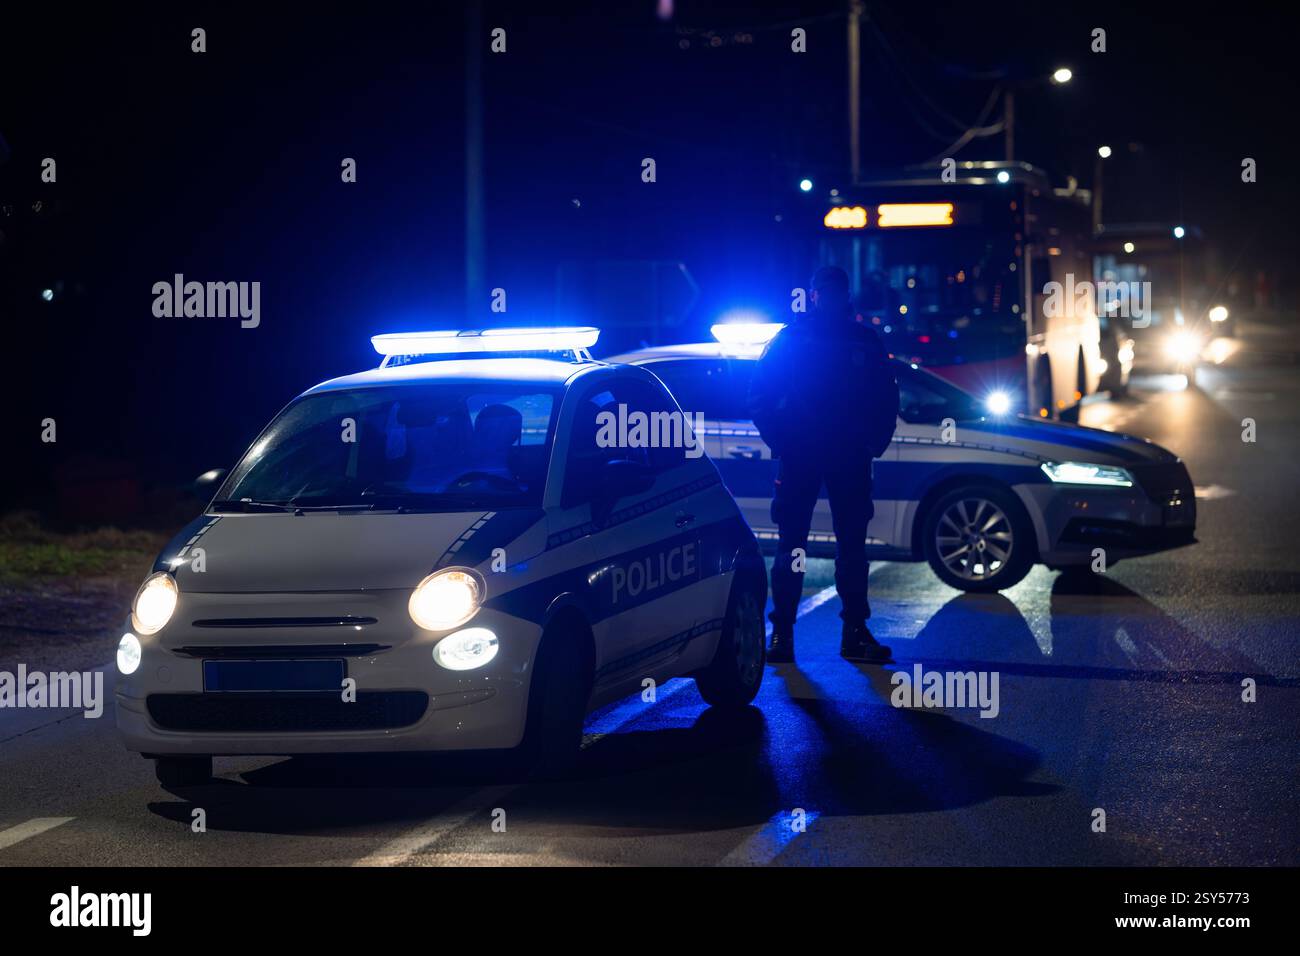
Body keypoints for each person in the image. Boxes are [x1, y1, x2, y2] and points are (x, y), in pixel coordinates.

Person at [749, 266, 898, 664]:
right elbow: (760, 394)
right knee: (792, 545)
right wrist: (782, 441)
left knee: (850, 548)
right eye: (824, 292)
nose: (830, 298)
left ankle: (852, 631)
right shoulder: (793, 340)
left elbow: (886, 396)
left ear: (842, 294)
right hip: (804, 455)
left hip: (847, 456)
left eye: (836, 291)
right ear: (814, 295)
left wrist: (873, 443)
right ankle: (782, 631)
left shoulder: (860, 340)